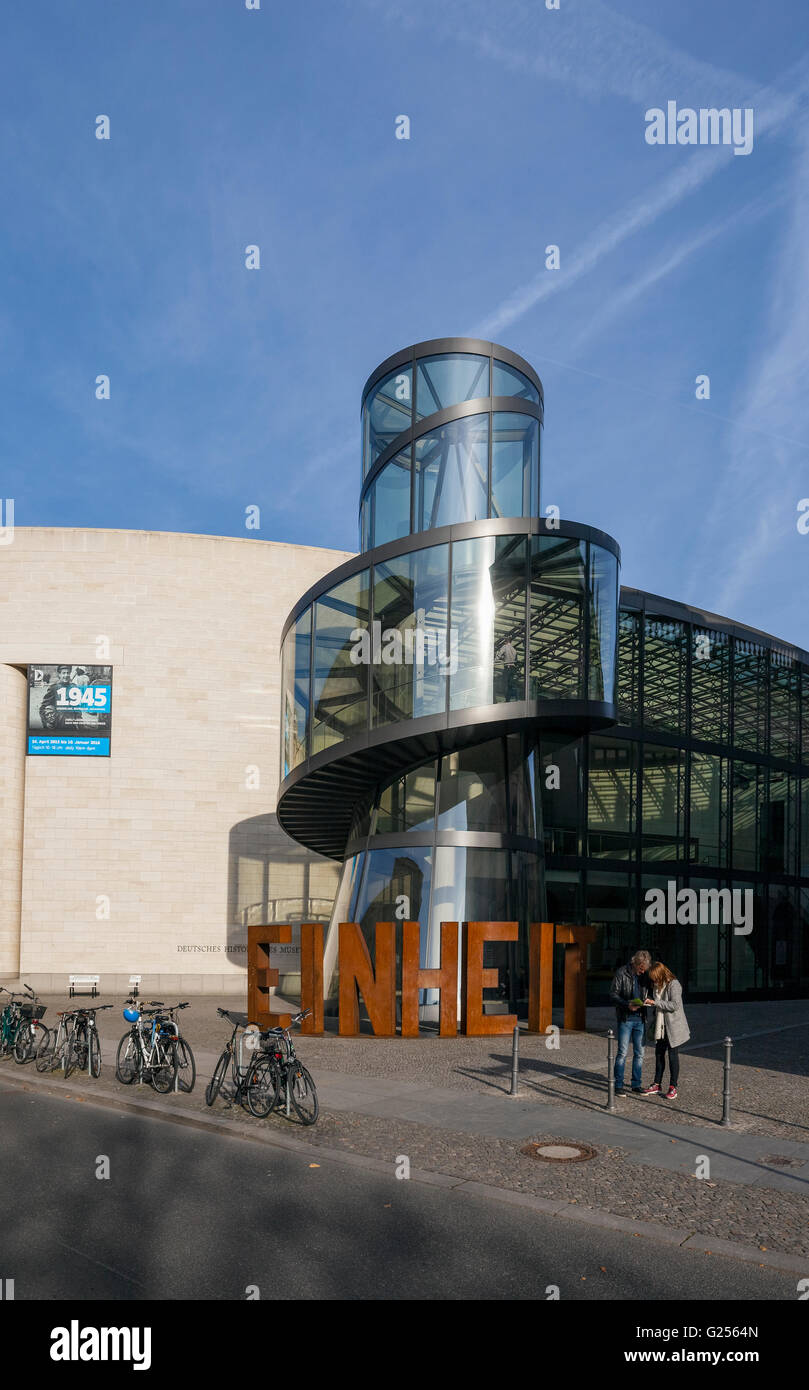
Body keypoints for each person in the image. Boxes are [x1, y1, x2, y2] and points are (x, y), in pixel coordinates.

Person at [642, 962, 690, 1100]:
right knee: (659, 1054)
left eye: (655, 977)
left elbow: (674, 1005)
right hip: (661, 1026)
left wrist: (655, 1003)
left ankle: (673, 1087)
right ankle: (657, 1084)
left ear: (660, 975)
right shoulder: (656, 986)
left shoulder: (674, 984)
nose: (653, 980)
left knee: (672, 1056)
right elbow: (659, 1003)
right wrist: (649, 1002)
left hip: (673, 1026)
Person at [609, 949, 652, 1096]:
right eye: (641, 968)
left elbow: (650, 992)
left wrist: (649, 1001)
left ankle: (636, 1084)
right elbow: (613, 994)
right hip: (626, 1018)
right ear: (635, 963)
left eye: (644, 969)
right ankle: (618, 1085)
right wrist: (627, 1004)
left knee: (640, 1053)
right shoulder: (622, 972)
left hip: (641, 1018)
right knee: (622, 1052)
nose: (642, 971)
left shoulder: (645, 975)